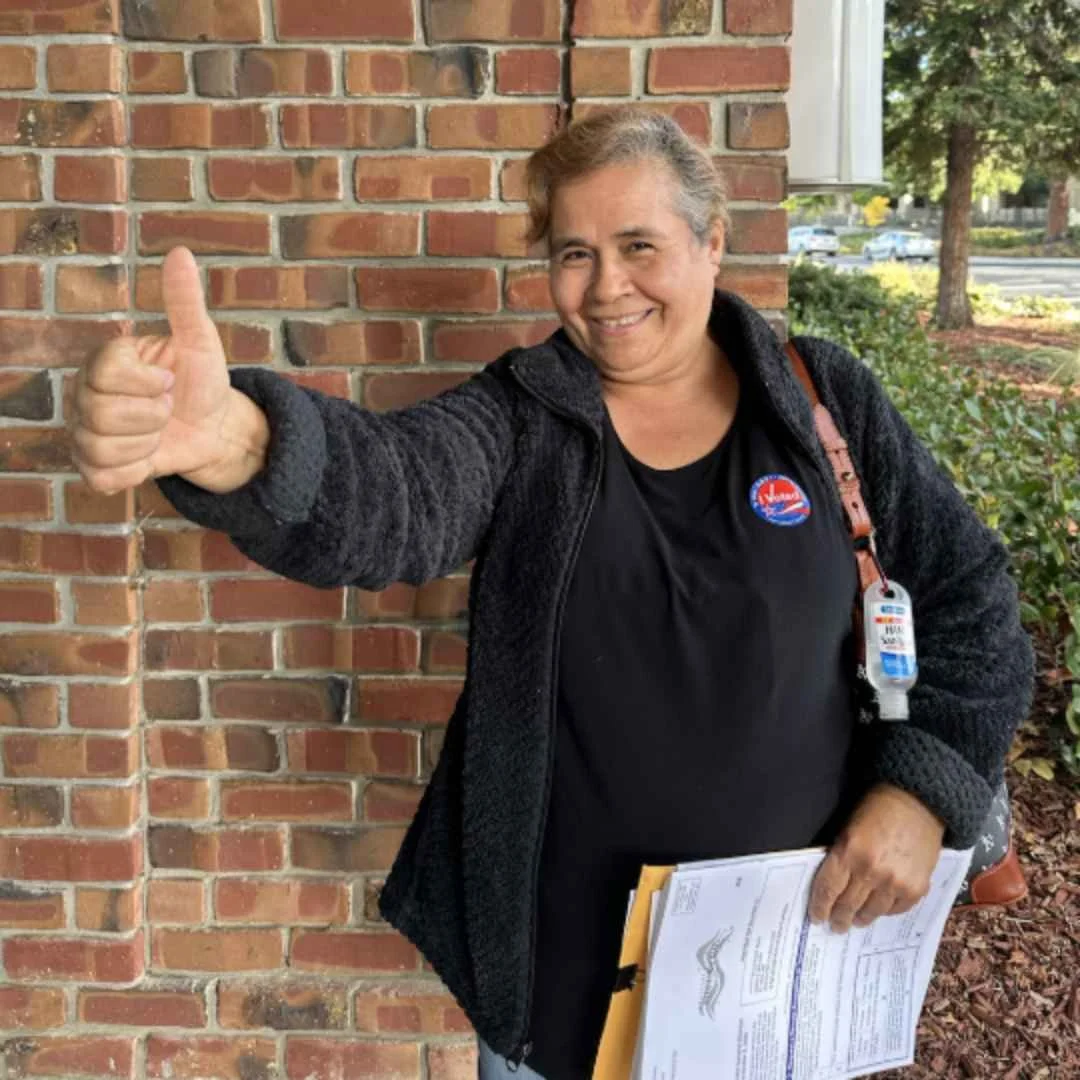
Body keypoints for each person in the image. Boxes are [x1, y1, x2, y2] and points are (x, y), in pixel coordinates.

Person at [68, 107, 1033, 1080]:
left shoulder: (822, 404)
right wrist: (245, 445)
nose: (607, 286)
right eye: (575, 252)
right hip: (563, 999)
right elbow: (399, 492)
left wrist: (920, 789)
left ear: (712, 244)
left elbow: (969, 599)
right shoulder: (524, 419)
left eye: (640, 245)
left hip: (783, 981)